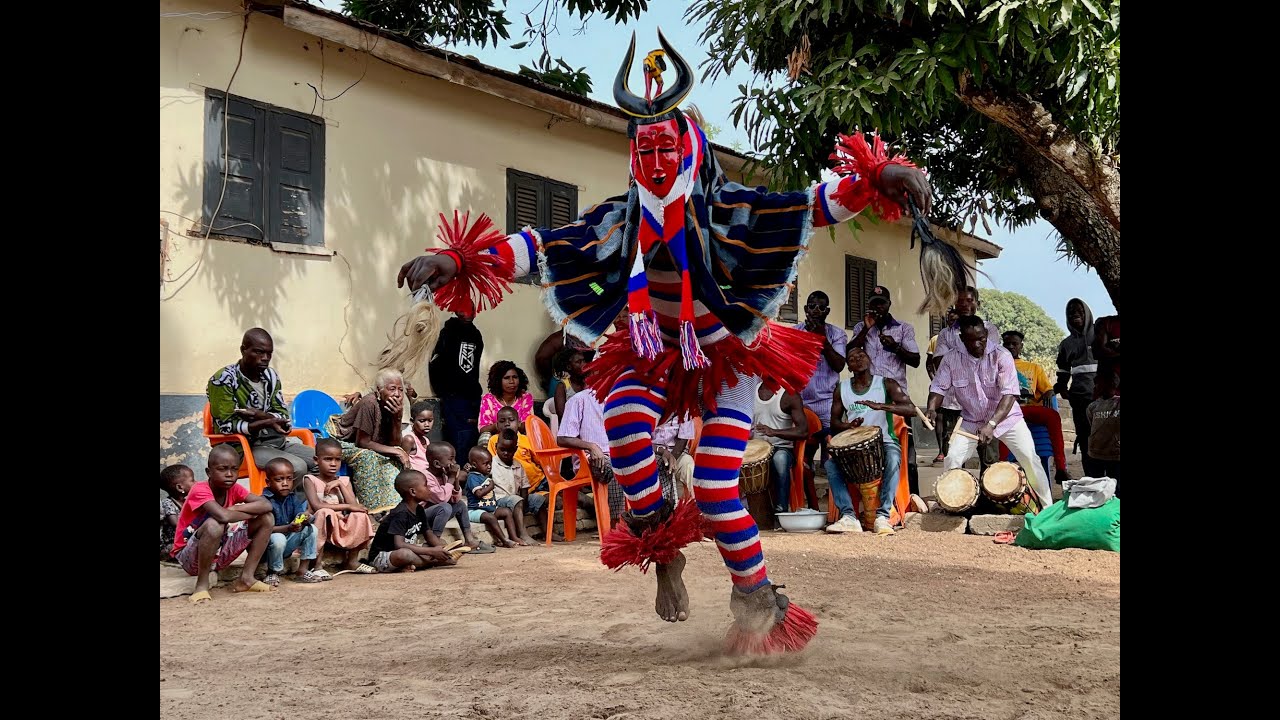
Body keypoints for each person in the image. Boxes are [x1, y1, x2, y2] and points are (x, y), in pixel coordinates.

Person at [396, 32, 936, 653]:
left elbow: (805, 205)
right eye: (643, 145)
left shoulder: (727, 206)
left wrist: (878, 176)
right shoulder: (620, 220)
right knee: (624, 428)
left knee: (713, 485)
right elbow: (546, 247)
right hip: (648, 351)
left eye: (666, 143)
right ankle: (662, 553)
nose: (654, 158)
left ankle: (756, 597)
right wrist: (457, 258)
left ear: (688, 146)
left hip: (723, 356)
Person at [925, 316, 1053, 507]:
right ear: (962, 338)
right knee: (952, 459)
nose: (977, 344)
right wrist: (931, 409)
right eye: (970, 340)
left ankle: (1047, 508)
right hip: (971, 420)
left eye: (981, 339)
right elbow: (938, 388)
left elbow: (1010, 395)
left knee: (1029, 459)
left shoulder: (1002, 355)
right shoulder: (951, 358)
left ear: (986, 335)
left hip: (1008, 419)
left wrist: (992, 424)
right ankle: (952, 507)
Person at [824, 346, 916, 535]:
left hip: (884, 440)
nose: (858, 358)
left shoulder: (886, 384)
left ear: (869, 359)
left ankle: (882, 516)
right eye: (852, 358)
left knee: (892, 459)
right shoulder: (842, 389)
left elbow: (911, 409)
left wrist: (881, 406)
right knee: (831, 465)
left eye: (861, 354)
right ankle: (849, 516)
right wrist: (849, 426)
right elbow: (834, 424)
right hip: (852, 445)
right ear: (848, 367)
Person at [170, 445, 277, 603]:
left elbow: (266, 505)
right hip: (190, 557)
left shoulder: (234, 488)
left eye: (234, 469)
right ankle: (201, 585)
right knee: (215, 523)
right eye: (222, 469)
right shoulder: (200, 489)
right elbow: (222, 515)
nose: (229, 474)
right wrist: (243, 512)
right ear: (208, 472)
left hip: (219, 553)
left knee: (266, 518)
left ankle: (246, 579)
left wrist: (235, 508)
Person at [207, 328, 316, 481]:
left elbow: (282, 415)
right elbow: (226, 425)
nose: (265, 358)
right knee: (297, 467)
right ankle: (281, 504)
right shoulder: (223, 379)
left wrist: (261, 416)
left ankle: (303, 503)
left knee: (321, 460)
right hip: (246, 447)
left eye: (269, 353)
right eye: (258, 352)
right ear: (243, 350)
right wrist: (269, 421)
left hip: (276, 442)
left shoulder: (270, 376)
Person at [849, 285, 922, 494]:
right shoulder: (861, 327)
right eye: (873, 304)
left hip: (896, 397)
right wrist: (865, 328)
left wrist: (896, 347)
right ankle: (877, 492)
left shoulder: (903, 328)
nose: (877, 308)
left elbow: (916, 360)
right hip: (870, 395)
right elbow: (850, 352)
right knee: (871, 446)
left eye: (881, 303)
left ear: (889, 304)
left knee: (905, 447)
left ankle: (911, 494)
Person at [328, 369, 410, 515]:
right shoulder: (369, 403)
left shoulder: (397, 406)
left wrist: (397, 418)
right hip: (345, 439)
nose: (397, 394)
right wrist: (397, 450)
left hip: (369, 441)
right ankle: (370, 511)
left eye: (400, 390)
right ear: (379, 391)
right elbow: (362, 442)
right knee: (367, 457)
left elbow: (394, 443)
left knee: (396, 459)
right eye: (392, 389)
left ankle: (393, 508)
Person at [794, 291, 847, 508]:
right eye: (812, 306)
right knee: (803, 459)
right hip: (802, 403)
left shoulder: (837, 334)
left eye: (821, 307)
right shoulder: (795, 332)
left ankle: (837, 508)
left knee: (832, 459)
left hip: (827, 403)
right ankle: (810, 506)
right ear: (805, 309)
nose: (816, 311)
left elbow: (839, 365)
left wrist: (822, 341)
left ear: (828, 312)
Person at [1002, 330, 1071, 484]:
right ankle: (1002, 469)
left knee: (1053, 416)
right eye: (1007, 344)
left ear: (1021, 346)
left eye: (1015, 344)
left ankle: (1060, 468)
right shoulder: (997, 365)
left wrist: (1049, 392)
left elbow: (1047, 389)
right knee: (1002, 423)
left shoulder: (1033, 367)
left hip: (1028, 408)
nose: (1011, 347)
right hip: (1006, 410)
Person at [301, 438, 376, 575]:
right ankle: (317, 565)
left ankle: (352, 561)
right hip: (319, 524)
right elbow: (317, 506)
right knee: (324, 512)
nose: (333, 464)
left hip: (339, 525)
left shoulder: (344, 481)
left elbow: (355, 506)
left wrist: (340, 485)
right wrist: (348, 505)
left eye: (337, 459)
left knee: (360, 515)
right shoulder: (310, 480)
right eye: (328, 459)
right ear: (316, 460)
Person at [364, 470, 463, 573]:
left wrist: (443, 549)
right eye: (426, 486)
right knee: (404, 554)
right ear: (413, 492)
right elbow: (399, 545)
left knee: (440, 543)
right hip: (382, 557)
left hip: (406, 550)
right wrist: (432, 552)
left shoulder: (419, 509)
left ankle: (411, 565)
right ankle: (434, 562)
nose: (430, 489)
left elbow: (428, 534)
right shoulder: (401, 513)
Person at [429, 310, 484, 455]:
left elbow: (473, 366)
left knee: (470, 442)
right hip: (453, 397)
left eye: (472, 309)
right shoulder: (448, 332)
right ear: (457, 311)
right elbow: (436, 361)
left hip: (471, 397)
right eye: (465, 308)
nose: (469, 313)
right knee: (458, 442)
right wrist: (442, 390)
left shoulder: (476, 335)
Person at [262, 458, 324, 585]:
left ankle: (303, 570)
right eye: (279, 480)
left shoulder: (292, 498)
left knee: (311, 529)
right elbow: (264, 530)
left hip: (287, 544)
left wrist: (305, 518)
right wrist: (288, 528)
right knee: (278, 538)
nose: (285, 483)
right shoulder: (264, 501)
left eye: (289, 479)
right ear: (268, 482)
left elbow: (301, 516)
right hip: (267, 549)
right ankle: (272, 572)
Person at [751, 385, 810, 514]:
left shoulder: (789, 395)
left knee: (780, 459)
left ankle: (781, 511)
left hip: (781, 448)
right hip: (756, 449)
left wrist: (774, 432)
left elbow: (803, 431)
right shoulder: (751, 391)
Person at [1055, 298, 1097, 464]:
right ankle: (1092, 477)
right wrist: (1063, 388)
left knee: (1106, 436)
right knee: (1084, 436)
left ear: (1086, 313)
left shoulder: (1100, 335)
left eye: (1079, 311)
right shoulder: (1066, 344)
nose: (1075, 315)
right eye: (1071, 312)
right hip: (1080, 397)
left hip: (1103, 397)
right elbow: (1063, 370)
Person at [462, 447, 522, 547]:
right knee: (490, 517)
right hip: (475, 511)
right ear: (474, 465)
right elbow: (479, 494)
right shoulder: (472, 477)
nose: (489, 466)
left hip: (489, 508)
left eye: (490, 463)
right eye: (486, 464)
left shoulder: (484, 475)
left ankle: (513, 536)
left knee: (506, 512)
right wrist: (491, 486)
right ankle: (504, 540)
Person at [926, 307, 962, 464]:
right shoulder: (938, 338)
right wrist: (936, 379)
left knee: (958, 427)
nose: (952, 322)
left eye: (955, 320)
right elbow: (931, 362)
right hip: (943, 389)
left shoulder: (967, 336)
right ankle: (941, 451)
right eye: (949, 320)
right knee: (940, 420)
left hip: (961, 392)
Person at [477, 361, 536, 448]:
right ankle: (487, 462)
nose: (512, 381)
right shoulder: (488, 399)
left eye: (515, 377)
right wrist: (500, 426)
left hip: (519, 436)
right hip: (496, 437)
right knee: (485, 437)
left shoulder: (525, 397)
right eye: (506, 378)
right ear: (498, 381)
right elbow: (483, 429)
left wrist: (507, 425)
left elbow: (527, 425)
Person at [1085, 373, 1120, 495]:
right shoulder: (1093, 406)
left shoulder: (1118, 402)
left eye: (1098, 384)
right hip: (1095, 452)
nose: (1095, 387)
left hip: (1115, 454)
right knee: (1097, 486)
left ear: (1111, 385)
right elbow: (1091, 423)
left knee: (1116, 486)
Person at [160, 464, 196, 561]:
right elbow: (176, 524)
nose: (196, 483)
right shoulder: (168, 503)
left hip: (186, 539)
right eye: (192, 480)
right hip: (172, 544)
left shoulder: (188, 501)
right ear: (180, 488)